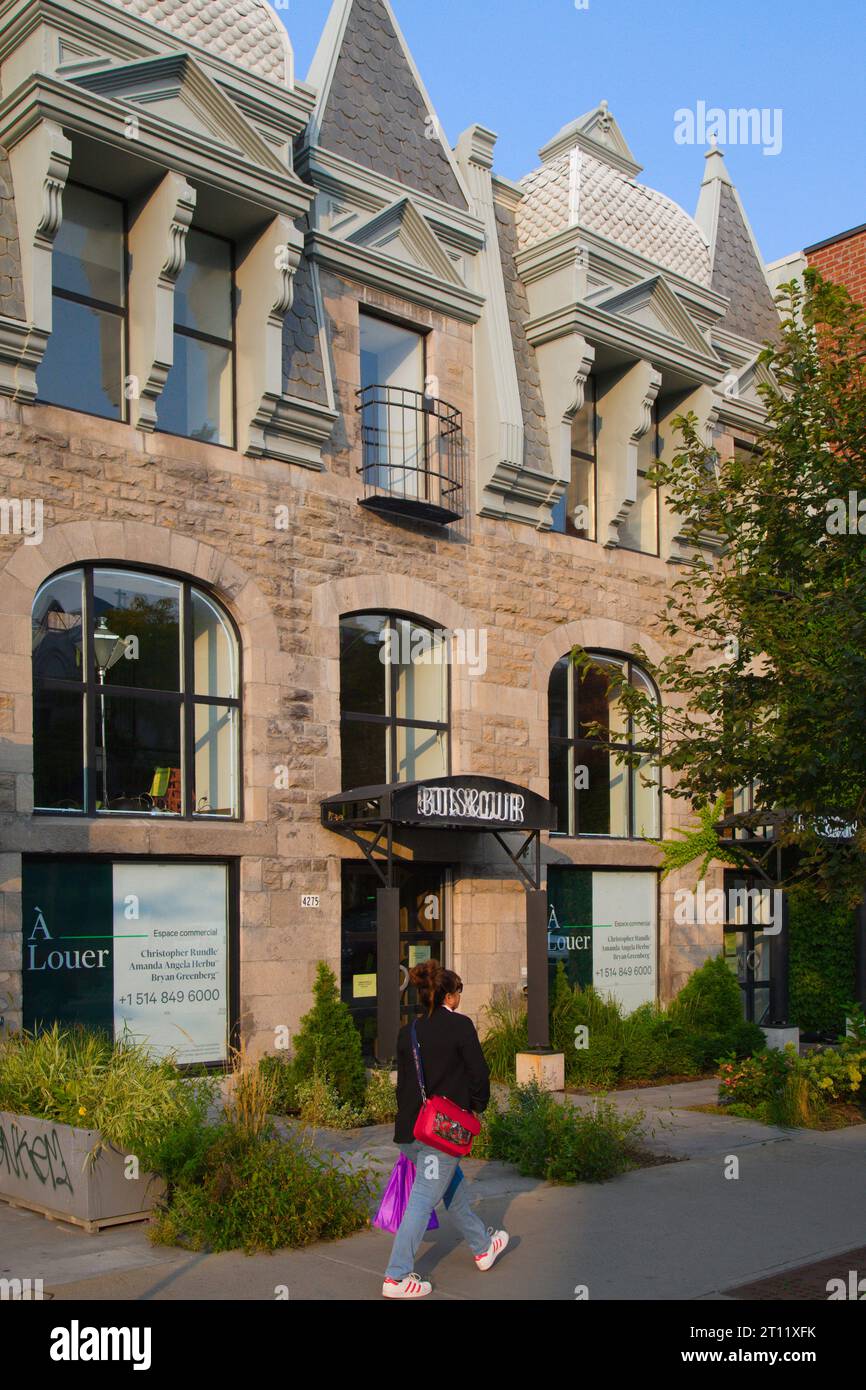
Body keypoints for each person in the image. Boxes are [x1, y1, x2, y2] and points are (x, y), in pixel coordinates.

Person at [382, 960, 509, 1299]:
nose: (459, 999)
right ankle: (395, 1277)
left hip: (411, 1132)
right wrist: (477, 1105)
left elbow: (403, 1085)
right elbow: (478, 1074)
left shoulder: (407, 1032)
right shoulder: (461, 1027)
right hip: (442, 1134)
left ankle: (483, 1247)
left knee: (451, 1191)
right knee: (423, 1200)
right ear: (449, 996)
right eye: (458, 992)